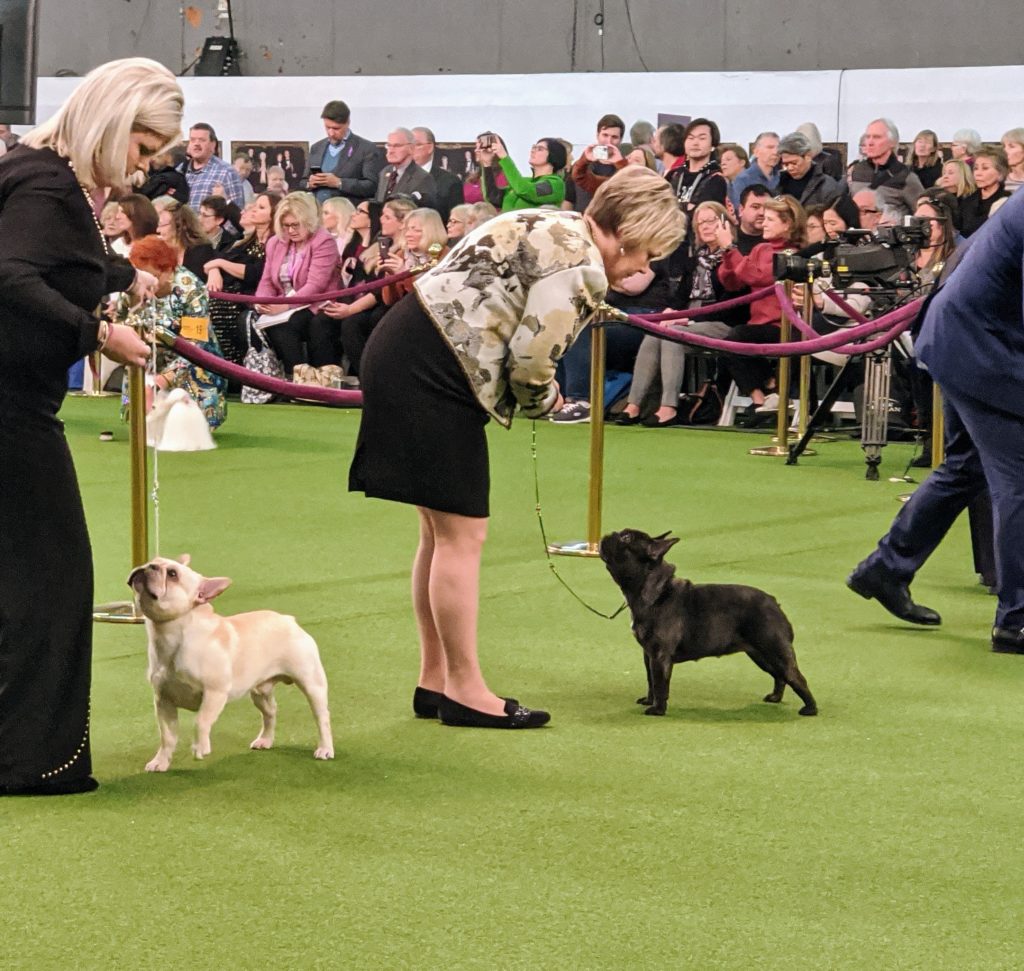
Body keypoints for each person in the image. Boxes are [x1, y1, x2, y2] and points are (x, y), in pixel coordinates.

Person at [348, 168, 685, 728]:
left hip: (406, 347)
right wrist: (547, 402)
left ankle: (435, 680)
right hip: (436, 373)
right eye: (645, 254)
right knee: (464, 535)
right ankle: (465, 689)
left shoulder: (549, 222)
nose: (641, 270)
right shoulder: (582, 265)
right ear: (626, 236)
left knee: (438, 533)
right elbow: (532, 361)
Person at [0, 57, 179, 796]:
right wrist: (98, 334)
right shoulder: (49, 184)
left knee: (25, 579)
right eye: (142, 150)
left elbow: (54, 258)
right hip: (12, 410)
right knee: (52, 579)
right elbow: (13, 275)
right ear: (113, 124)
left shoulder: (37, 173)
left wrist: (121, 276)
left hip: (17, 405)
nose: (142, 171)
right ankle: (34, 759)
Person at [848, 186, 1024, 653]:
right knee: (1018, 480)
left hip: (963, 336)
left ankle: (886, 569)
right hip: (980, 348)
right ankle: (1017, 619)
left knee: (966, 466)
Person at [115, 235, 227, 429]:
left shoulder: (192, 289)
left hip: (192, 359)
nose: (146, 282)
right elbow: (120, 318)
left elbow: (195, 344)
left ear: (167, 270)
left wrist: (160, 381)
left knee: (185, 424)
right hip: (147, 357)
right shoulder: (134, 286)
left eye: (153, 276)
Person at [253, 191, 339, 379]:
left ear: (308, 221)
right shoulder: (276, 242)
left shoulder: (323, 241)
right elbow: (267, 280)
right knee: (252, 319)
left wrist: (284, 305)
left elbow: (315, 285)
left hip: (315, 304)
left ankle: (301, 377)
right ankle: (279, 378)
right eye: (286, 226)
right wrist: (262, 302)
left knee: (286, 326)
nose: (291, 230)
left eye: (295, 225)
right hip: (282, 304)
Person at [303, 100, 384, 206]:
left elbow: (371, 186)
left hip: (348, 215)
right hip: (317, 213)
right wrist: (309, 184)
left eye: (336, 128)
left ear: (347, 123)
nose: (331, 133)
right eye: (327, 127)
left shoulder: (366, 149)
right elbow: (302, 182)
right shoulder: (316, 148)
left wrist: (339, 183)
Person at [491, 134, 566, 210]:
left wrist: (504, 157)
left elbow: (524, 190)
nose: (532, 151)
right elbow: (494, 197)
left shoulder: (555, 184)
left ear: (553, 155)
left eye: (540, 149)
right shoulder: (525, 181)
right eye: (534, 147)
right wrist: (486, 164)